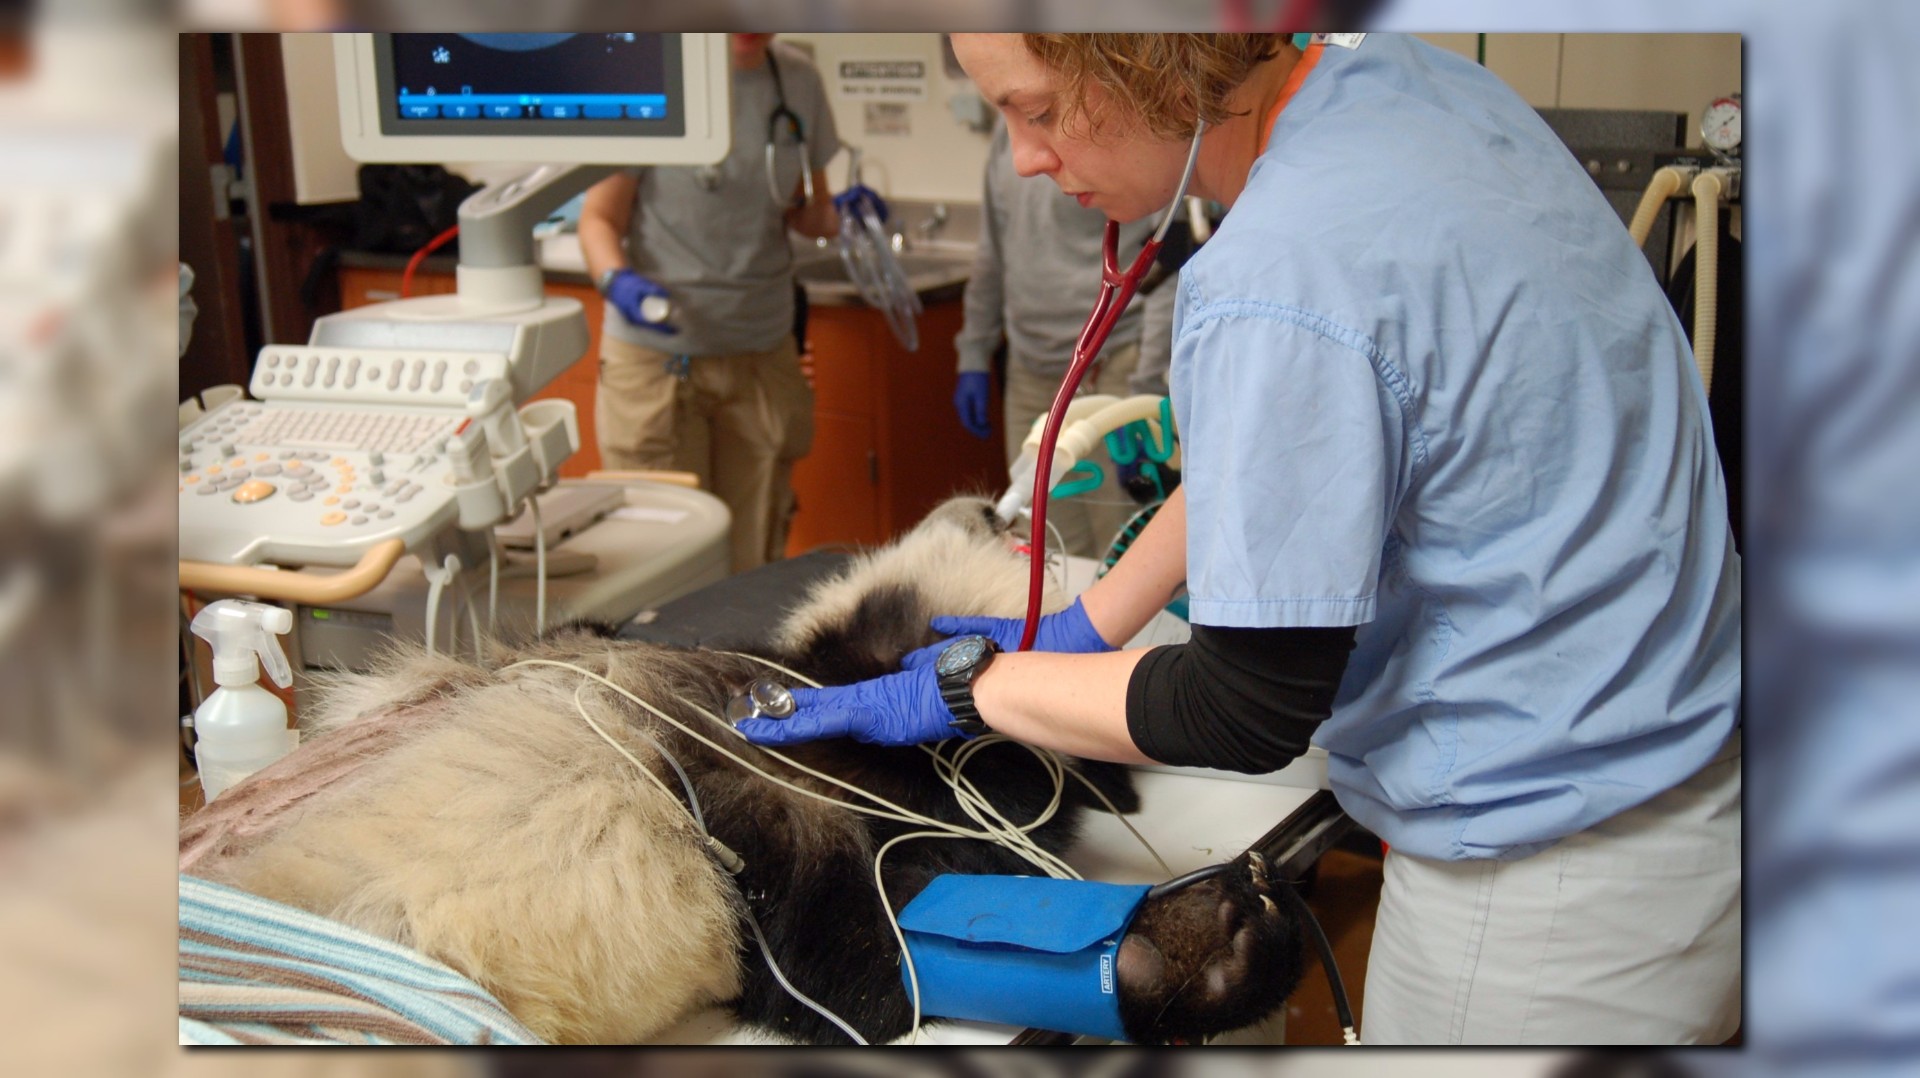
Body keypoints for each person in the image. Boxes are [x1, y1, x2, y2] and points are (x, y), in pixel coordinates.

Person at [737, 33, 1742, 1045]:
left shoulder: (1280, 269)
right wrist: (1097, 616)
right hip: (1678, 767)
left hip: (1549, 888)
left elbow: (1247, 706)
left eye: (1038, 110)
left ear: (1144, 54)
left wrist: (966, 687)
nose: (1026, 157)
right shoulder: (1409, 90)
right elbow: (1300, 444)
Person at [580, 33, 879, 573]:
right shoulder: (651, 75)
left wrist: (848, 215)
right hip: (659, 360)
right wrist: (616, 282)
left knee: (752, 554)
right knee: (662, 562)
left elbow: (803, 213)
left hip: (759, 353)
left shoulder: (796, 81)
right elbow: (599, 218)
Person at [952, 119, 1159, 559]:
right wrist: (974, 350)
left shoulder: (1124, 122)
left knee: (1119, 555)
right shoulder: (1006, 134)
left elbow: (1171, 262)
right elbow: (994, 249)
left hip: (1113, 370)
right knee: (1045, 553)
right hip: (1031, 371)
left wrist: (1148, 390)